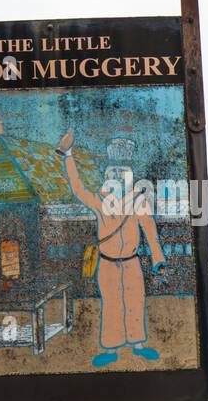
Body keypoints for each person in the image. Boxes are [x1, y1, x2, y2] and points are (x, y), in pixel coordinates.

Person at [56, 129, 166, 368]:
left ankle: (138, 344)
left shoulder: (138, 201)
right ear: (107, 177)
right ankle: (111, 347)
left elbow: (149, 227)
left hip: (131, 260)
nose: (117, 177)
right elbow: (77, 187)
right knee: (112, 302)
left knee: (135, 299)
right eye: (113, 173)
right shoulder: (99, 202)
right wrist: (68, 154)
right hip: (107, 262)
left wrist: (157, 255)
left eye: (122, 173)